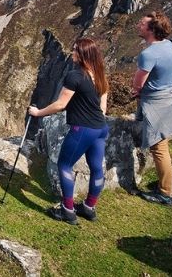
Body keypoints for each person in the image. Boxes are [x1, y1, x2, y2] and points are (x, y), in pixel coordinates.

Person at [28, 38, 109, 225]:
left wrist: (38, 112)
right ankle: (89, 207)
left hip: (83, 129)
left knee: (64, 165)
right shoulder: (100, 74)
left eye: (75, 50)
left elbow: (61, 104)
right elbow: (103, 104)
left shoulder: (75, 76)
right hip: (101, 128)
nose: (71, 53)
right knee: (96, 168)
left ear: (83, 54)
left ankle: (68, 210)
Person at [132, 10, 172, 206]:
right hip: (169, 97)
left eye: (142, 24)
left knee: (159, 147)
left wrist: (137, 91)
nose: (138, 25)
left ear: (152, 29)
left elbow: (138, 82)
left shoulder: (149, 54)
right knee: (162, 142)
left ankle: (165, 192)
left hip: (155, 102)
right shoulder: (171, 46)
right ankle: (166, 185)